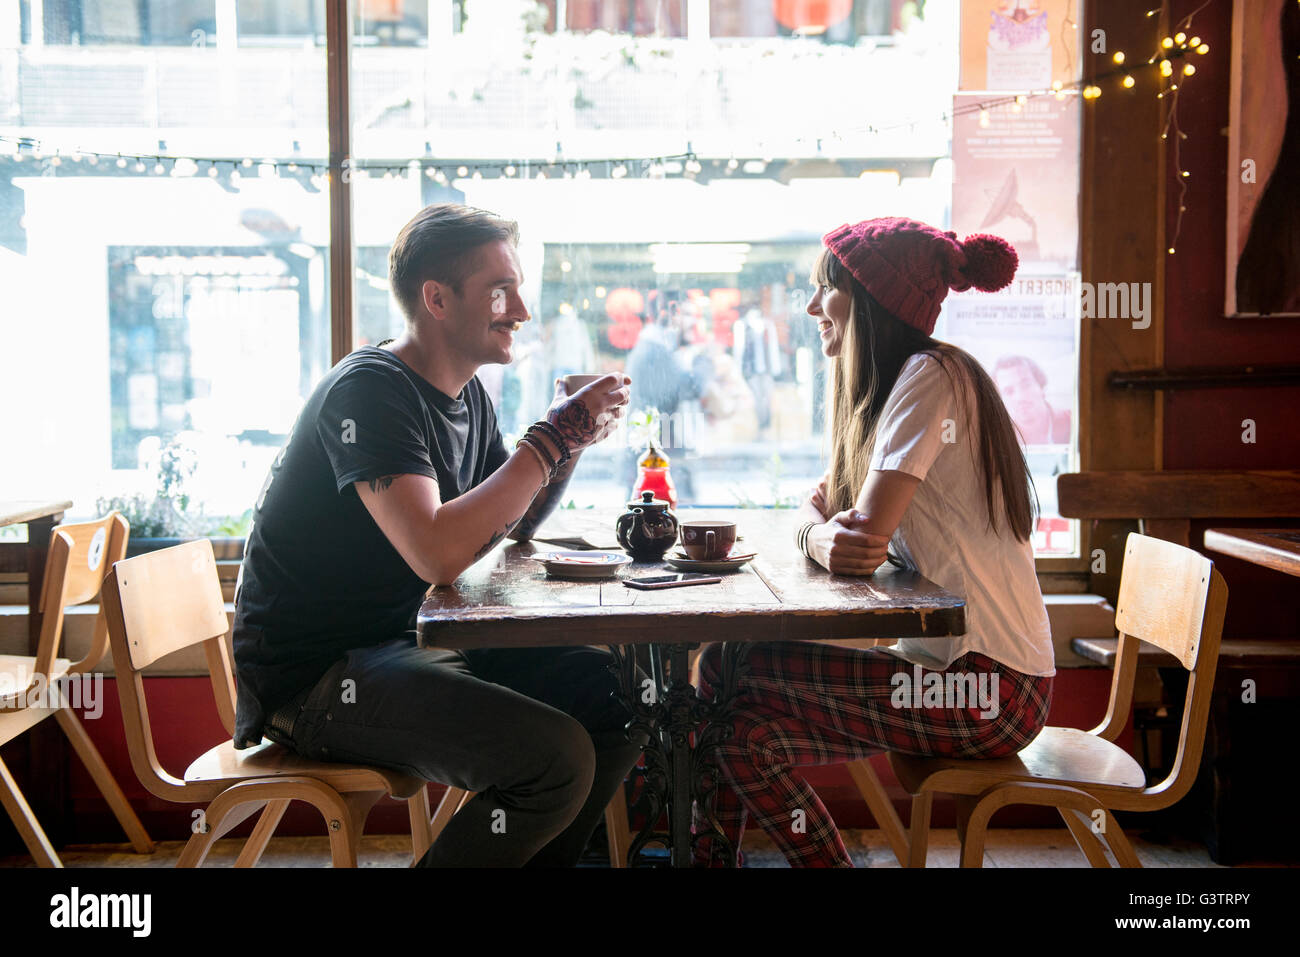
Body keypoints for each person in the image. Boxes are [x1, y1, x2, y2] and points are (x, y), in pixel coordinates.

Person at [232, 202, 642, 867]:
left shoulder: (467, 393)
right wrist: (552, 437)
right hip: (317, 675)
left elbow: (514, 523)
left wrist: (569, 444)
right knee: (555, 759)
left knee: (619, 697)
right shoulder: (369, 391)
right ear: (437, 299)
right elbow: (439, 553)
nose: (521, 311)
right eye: (500, 290)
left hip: (406, 643)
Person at [693, 217, 1056, 867]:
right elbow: (818, 514)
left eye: (823, 289)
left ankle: (705, 855)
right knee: (743, 732)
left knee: (728, 664)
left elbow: (860, 539)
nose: (810, 308)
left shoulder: (931, 376)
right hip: (961, 675)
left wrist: (823, 533)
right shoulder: (896, 393)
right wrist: (815, 534)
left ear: (867, 299)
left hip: (988, 689)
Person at [993, 354, 1071, 445]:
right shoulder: (997, 436)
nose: (1020, 397)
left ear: (1041, 386)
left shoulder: (1073, 422)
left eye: (1026, 385)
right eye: (1008, 391)